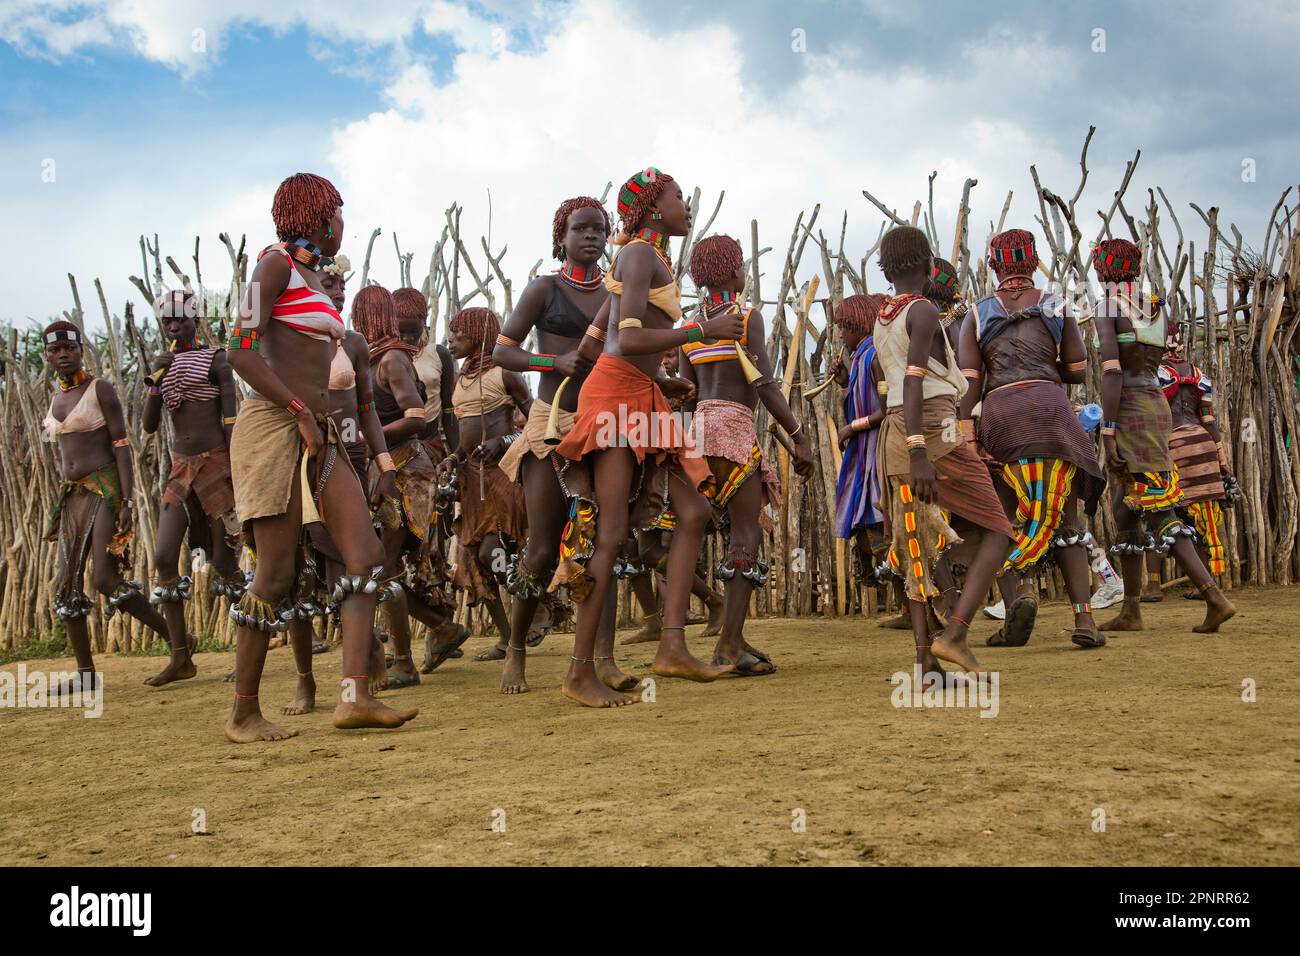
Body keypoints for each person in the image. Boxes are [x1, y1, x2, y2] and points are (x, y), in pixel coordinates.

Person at [225, 172, 416, 742]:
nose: (342, 224)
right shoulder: (272, 265)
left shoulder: (312, 276)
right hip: (274, 427)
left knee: (366, 554)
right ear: (314, 214)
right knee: (276, 573)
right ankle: (243, 713)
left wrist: (330, 429)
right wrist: (296, 408)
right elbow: (239, 347)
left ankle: (354, 696)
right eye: (337, 212)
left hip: (321, 433)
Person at [549, 167, 741, 707]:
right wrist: (702, 330)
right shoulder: (638, 256)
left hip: (639, 393)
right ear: (655, 205)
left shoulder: (640, 258)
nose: (687, 204)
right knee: (611, 535)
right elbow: (627, 339)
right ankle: (579, 672)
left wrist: (662, 378)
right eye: (679, 195)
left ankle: (672, 646)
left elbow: (596, 344)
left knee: (694, 511)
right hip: (617, 400)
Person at [956, 229, 1108, 649]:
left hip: (1004, 417)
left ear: (993, 265)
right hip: (1052, 413)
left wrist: (967, 432)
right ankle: (1086, 621)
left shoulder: (977, 311)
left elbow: (970, 383)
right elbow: (1077, 368)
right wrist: (1045, 372)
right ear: (1034, 259)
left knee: (1003, 520)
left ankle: (1019, 594)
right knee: (1068, 522)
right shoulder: (1056, 303)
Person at [873, 225, 1014, 675]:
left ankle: (924, 661)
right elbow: (914, 381)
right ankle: (954, 634)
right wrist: (920, 451)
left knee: (915, 544)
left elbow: (892, 389)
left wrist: (908, 445)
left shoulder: (884, 317)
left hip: (899, 430)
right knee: (998, 530)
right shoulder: (924, 311)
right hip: (934, 429)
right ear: (926, 264)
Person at [678, 234, 813, 673]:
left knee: (696, 531)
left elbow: (687, 392)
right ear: (735, 272)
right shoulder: (746, 315)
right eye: (741, 266)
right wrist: (798, 436)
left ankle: (722, 636)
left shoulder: (690, 325)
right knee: (745, 535)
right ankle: (729, 644)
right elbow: (763, 383)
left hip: (698, 432)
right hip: (734, 430)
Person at [491, 197, 611, 694]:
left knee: (605, 541)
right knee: (541, 546)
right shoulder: (545, 288)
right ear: (561, 236)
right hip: (551, 423)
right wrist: (551, 365)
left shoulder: (618, 293)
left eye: (600, 229)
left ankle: (601, 659)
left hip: (604, 424)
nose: (591, 236)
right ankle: (516, 649)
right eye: (580, 228)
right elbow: (503, 350)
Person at [1091, 238, 1235, 633]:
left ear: (1103, 271)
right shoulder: (1154, 305)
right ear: (1133, 268)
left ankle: (1214, 596)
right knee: (1125, 507)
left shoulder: (1107, 306)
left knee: (1158, 508)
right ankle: (1132, 610)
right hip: (1156, 403)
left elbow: (1113, 371)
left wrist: (1107, 427)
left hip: (1132, 409)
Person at [42, 321, 171, 693]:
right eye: (55, 350)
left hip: (104, 489)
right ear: (48, 356)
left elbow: (121, 444)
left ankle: (177, 642)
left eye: (70, 347)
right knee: (65, 586)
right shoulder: (55, 398)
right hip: (73, 495)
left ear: (81, 349)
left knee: (104, 579)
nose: (64, 355)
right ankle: (85, 675)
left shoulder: (100, 389)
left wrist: (127, 499)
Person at [141, 290, 243, 686]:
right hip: (180, 469)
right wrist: (155, 379)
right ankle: (181, 657)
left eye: (179, 320)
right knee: (165, 558)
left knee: (225, 564)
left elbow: (231, 417)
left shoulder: (218, 359)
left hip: (219, 465)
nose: (172, 327)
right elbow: (150, 425)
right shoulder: (161, 366)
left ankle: (247, 652)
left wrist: (237, 471)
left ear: (194, 321)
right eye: (166, 322)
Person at [440, 306, 531, 662]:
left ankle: (531, 615)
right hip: (472, 478)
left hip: (503, 476)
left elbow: (534, 417)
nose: (451, 342)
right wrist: (454, 458)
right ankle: (508, 638)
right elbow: (465, 436)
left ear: (478, 336)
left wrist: (504, 441)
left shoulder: (505, 372)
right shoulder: (461, 379)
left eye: (458, 336)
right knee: (479, 561)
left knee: (491, 553)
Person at [831, 293, 912, 620]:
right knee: (872, 526)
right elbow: (862, 401)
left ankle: (911, 606)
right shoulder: (862, 358)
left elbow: (886, 408)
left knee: (882, 522)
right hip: (865, 452)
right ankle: (905, 606)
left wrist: (851, 427)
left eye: (843, 328)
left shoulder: (876, 355)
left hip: (878, 449)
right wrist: (844, 382)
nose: (840, 335)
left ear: (858, 324)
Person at [1155, 329, 1238, 594]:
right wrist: (1220, 455)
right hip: (1202, 442)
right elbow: (1209, 419)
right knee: (1207, 516)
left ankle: (1152, 586)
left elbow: (1154, 416)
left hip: (1172, 445)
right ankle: (1212, 581)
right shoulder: (1199, 375)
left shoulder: (1154, 374)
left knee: (1160, 512)